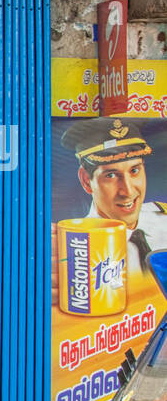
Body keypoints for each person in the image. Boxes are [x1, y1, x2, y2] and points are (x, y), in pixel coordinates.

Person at [53, 117, 167, 288]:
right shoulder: (74, 248)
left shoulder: (163, 218)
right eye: (111, 176)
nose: (128, 191)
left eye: (134, 171)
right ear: (86, 180)